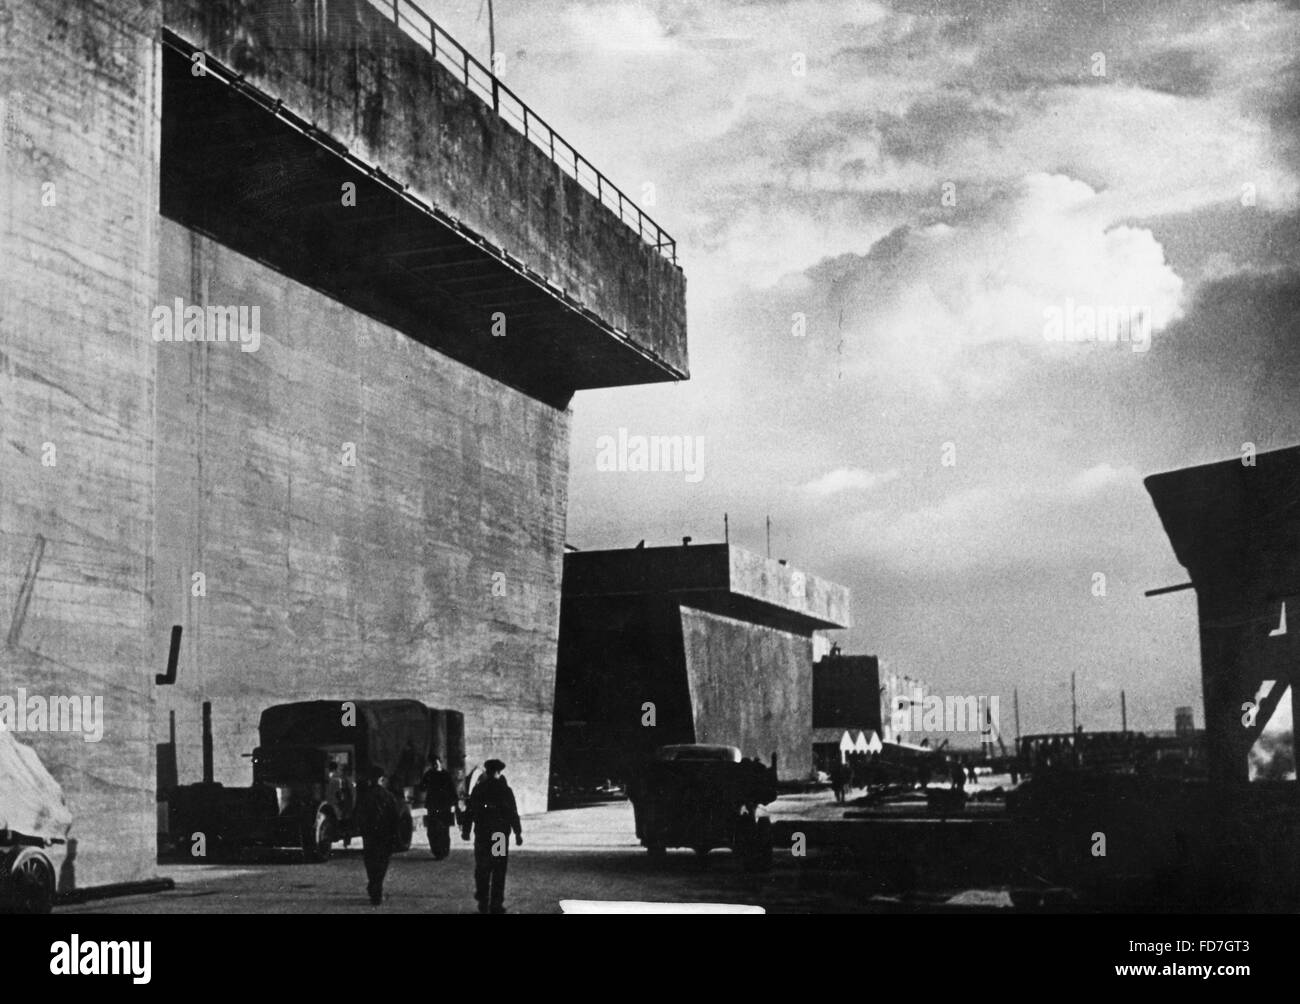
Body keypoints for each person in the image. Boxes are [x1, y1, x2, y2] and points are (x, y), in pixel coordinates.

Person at [461, 758, 522, 914]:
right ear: (499, 772)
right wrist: (517, 832)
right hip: (499, 836)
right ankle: (496, 905)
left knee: (482, 868)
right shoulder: (505, 790)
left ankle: (482, 900)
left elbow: (470, 811)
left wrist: (466, 830)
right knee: (498, 869)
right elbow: (512, 813)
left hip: (482, 834)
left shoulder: (479, 789)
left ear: (487, 772)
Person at [355, 765, 401, 906]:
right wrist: (395, 837)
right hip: (385, 836)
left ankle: (374, 888)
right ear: (382, 779)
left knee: (371, 863)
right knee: (382, 864)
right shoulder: (389, 796)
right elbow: (395, 818)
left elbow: (358, 816)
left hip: (370, 836)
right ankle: (376, 890)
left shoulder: (364, 796)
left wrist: (362, 830)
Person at [420, 754, 459, 860]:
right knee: (432, 830)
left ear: (440, 763)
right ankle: (437, 851)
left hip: (444, 806)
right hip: (433, 806)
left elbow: (452, 789)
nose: (435, 765)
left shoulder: (446, 775)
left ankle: (443, 851)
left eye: (436, 763)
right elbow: (422, 787)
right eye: (433, 764)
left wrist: (454, 803)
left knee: (443, 830)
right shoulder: (429, 774)